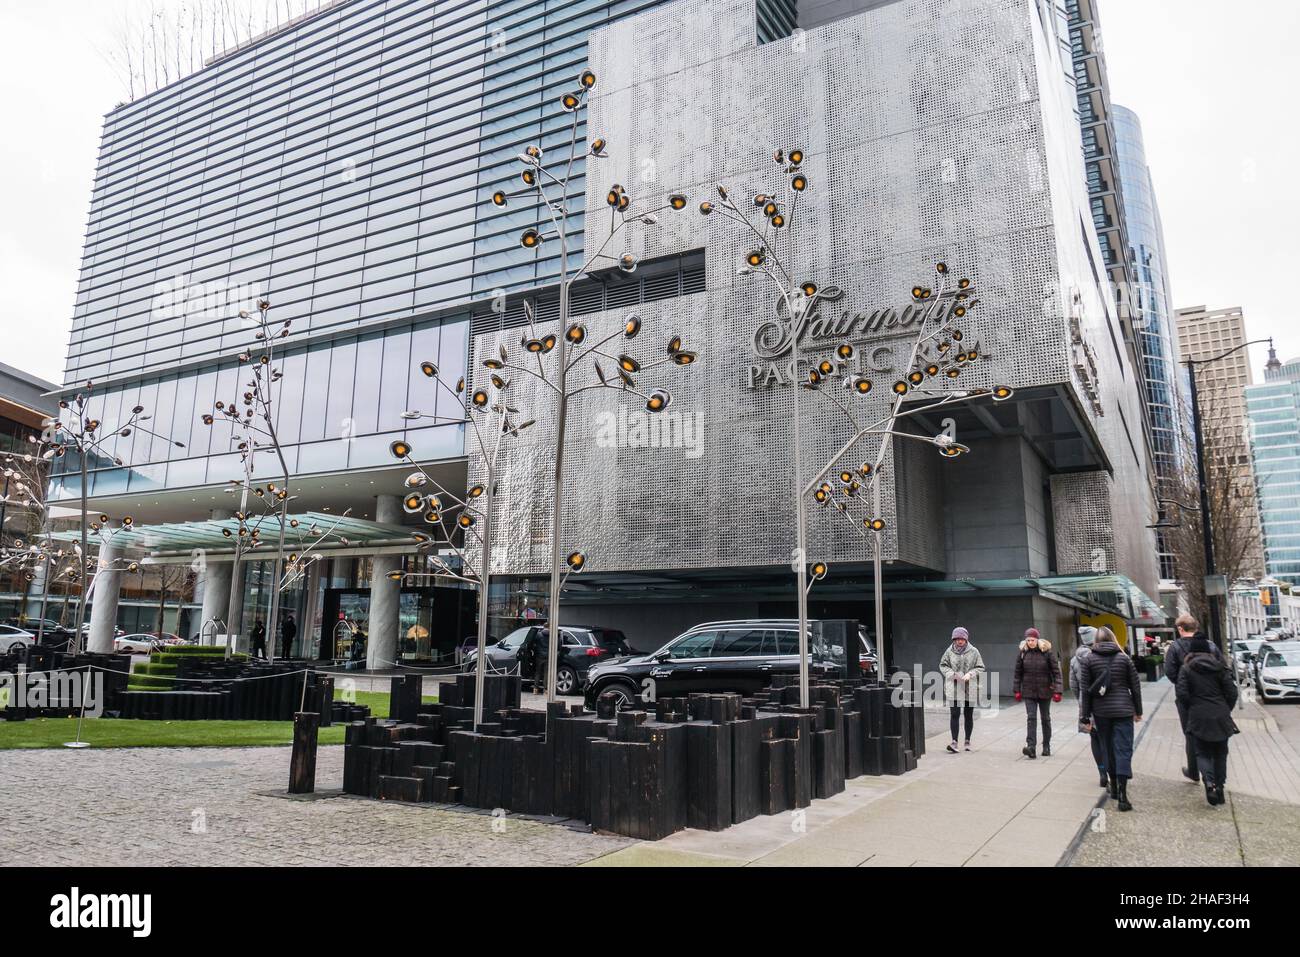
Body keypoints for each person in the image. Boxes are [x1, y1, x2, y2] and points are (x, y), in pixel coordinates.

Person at [1078, 626, 1143, 811]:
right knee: (1123, 749)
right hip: (1123, 710)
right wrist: (1138, 711)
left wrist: (1085, 716)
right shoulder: (1124, 658)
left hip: (1101, 712)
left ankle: (1113, 785)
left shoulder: (1089, 660)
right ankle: (1123, 794)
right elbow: (1135, 687)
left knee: (1107, 748)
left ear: (1096, 641)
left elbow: (1085, 691)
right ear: (1113, 639)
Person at [1176, 635, 1239, 806]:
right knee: (1220, 753)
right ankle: (1220, 786)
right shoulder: (1220, 667)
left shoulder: (1186, 669)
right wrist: (1225, 708)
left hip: (1198, 715)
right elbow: (1232, 692)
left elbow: (1181, 693)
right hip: (1220, 715)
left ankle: (1209, 784)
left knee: (1202, 752)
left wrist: (1193, 706)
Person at [1164, 613, 1222, 784]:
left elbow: (1170, 672)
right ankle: (1212, 774)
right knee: (1213, 732)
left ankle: (1195, 770)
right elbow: (1222, 668)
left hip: (1187, 698)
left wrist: (1182, 685)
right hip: (1212, 697)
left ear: (1180, 629)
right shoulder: (1210, 646)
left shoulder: (1175, 647)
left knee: (1191, 734)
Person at [1013, 627, 1062, 758]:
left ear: (1037, 639)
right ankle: (1031, 747)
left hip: (1045, 691)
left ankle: (1046, 746)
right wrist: (1017, 690)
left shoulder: (1047, 653)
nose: (1030, 642)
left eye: (1032, 640)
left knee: (1045, 719)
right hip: (1029, 692)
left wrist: (1058, 691)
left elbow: (1056, 673)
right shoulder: (1023, 653)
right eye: (1028, 640)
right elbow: (1018, 673)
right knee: (1031, 718)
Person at [1070, 626, 1108, 787]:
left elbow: (1073, 686)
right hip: (1105, 703)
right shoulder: (1102, 656)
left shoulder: (1075, 660)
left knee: (1095, 737)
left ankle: (1101, 772)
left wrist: (1080, 699)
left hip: (1086, 704)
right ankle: (1110, 769)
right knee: (1108, 738)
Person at [939, 627, 985, 753]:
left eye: (962, 639)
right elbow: (943, 665)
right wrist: (952, 674)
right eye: (957, 639)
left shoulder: (974, 651)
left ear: (966, 639)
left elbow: (980, 667)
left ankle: (967, 740)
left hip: (970, 687)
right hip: (953, 688)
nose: (959, 641)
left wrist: (970, 674)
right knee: (954, 714)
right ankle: (954, 742)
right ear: (954, 639)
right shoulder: (949, 651)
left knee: (968, 714)